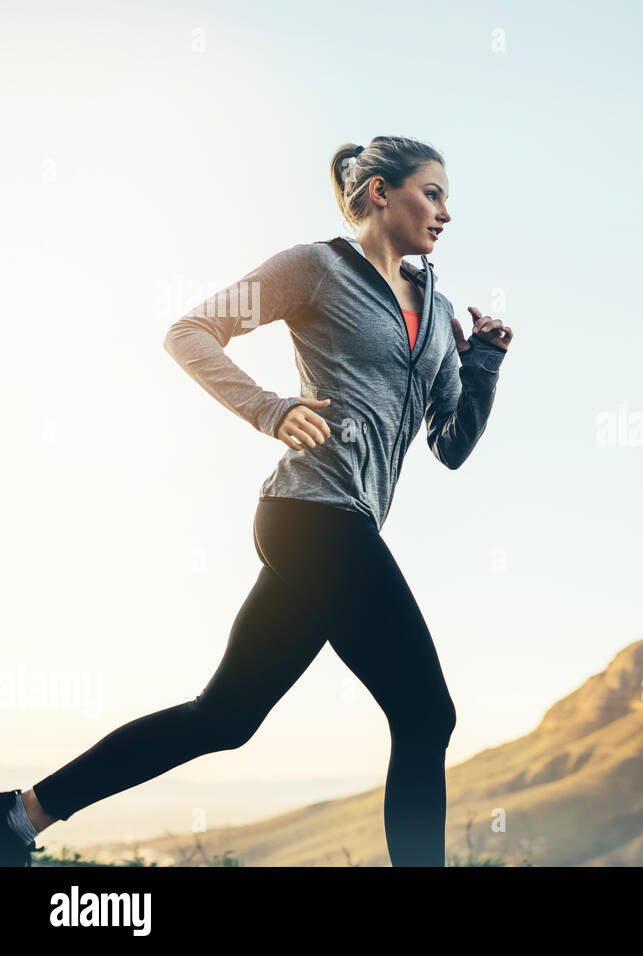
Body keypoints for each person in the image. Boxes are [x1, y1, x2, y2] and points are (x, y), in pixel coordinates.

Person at [1, 135, 512, 867]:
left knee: (227, 716)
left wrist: (483, 363)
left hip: (349, 524)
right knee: (427, 714)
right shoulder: (313, 267)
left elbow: (451, 445)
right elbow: (191, 331)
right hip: (309, 514)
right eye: (432, 192)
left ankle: (19, 818)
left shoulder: (437, 312)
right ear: (379, 193)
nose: (446, 212)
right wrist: (269, 409)